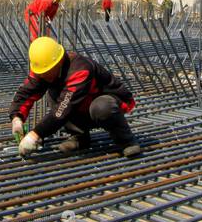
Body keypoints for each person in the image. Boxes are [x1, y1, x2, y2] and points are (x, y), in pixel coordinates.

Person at [10, 36, 142, 158]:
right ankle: (80, 137)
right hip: (81, 104)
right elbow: (26, 92)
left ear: (59, 62)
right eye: (42, 74)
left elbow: (64, 109)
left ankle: (127, 140)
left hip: (110, 101)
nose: (45, 76)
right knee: (54, 94)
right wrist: (17, 117)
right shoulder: (44, 69)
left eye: (48, 72)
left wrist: (35, 135)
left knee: (101, 107)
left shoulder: (80, 69)